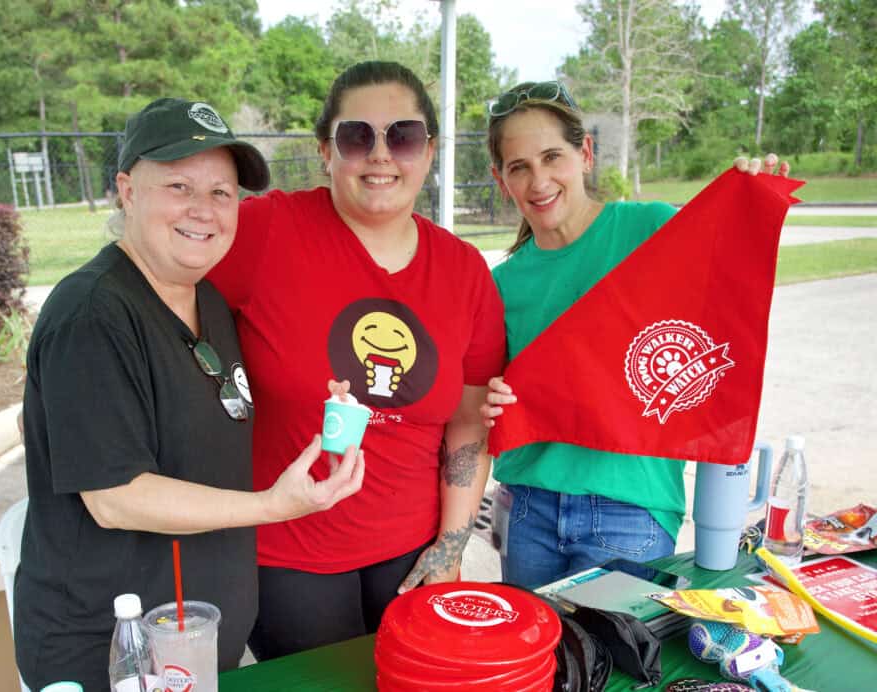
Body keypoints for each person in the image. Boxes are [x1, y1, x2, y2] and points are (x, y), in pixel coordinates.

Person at [13, 97, 364, 691]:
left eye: (222, 192)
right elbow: (115, 497)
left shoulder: (209, 303)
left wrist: (331, 409)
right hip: (110, 654)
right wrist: (273, 505)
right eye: (179, 185)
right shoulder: (93, 314)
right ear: (127, 190)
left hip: (189, 646)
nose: (204, 210)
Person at [206, 61, 507, 660]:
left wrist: (451, 544)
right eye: (356, 137)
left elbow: (469, 421)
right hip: (287, 552)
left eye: (403, 136)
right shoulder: (266, 231)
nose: (380, 155)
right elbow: (160, 291)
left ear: (429, 149)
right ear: (325, 150)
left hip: (415, 549)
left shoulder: (463, 270)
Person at [480, 80, 790, 587]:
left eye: (552, 157)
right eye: (519, 167)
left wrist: (749, 194)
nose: (539, 181)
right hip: (527, 506)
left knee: (616, 664)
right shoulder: (502, 284)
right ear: (501, 179)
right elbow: (480, 407)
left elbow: (735, 290)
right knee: (536, 664)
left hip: (629, 508)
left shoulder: (652, 230)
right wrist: (490, 401)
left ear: (585, 154)